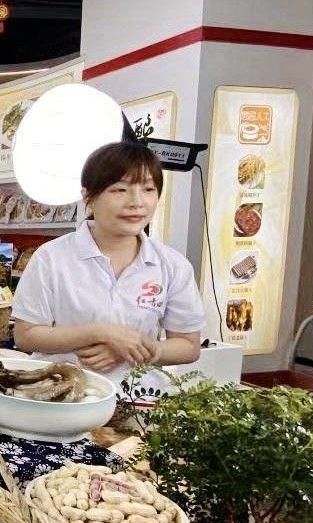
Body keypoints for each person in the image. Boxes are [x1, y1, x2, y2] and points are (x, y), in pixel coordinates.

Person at [12, 141, 204, 383]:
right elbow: (26, 335)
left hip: (139, 401)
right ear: (88, 197)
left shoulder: (172, 265)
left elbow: (189, 345)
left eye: (148, 189)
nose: (136, 202)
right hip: (61, 396)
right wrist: (101, 332)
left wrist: (132, 349)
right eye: (120, 190)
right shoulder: (51, 258)